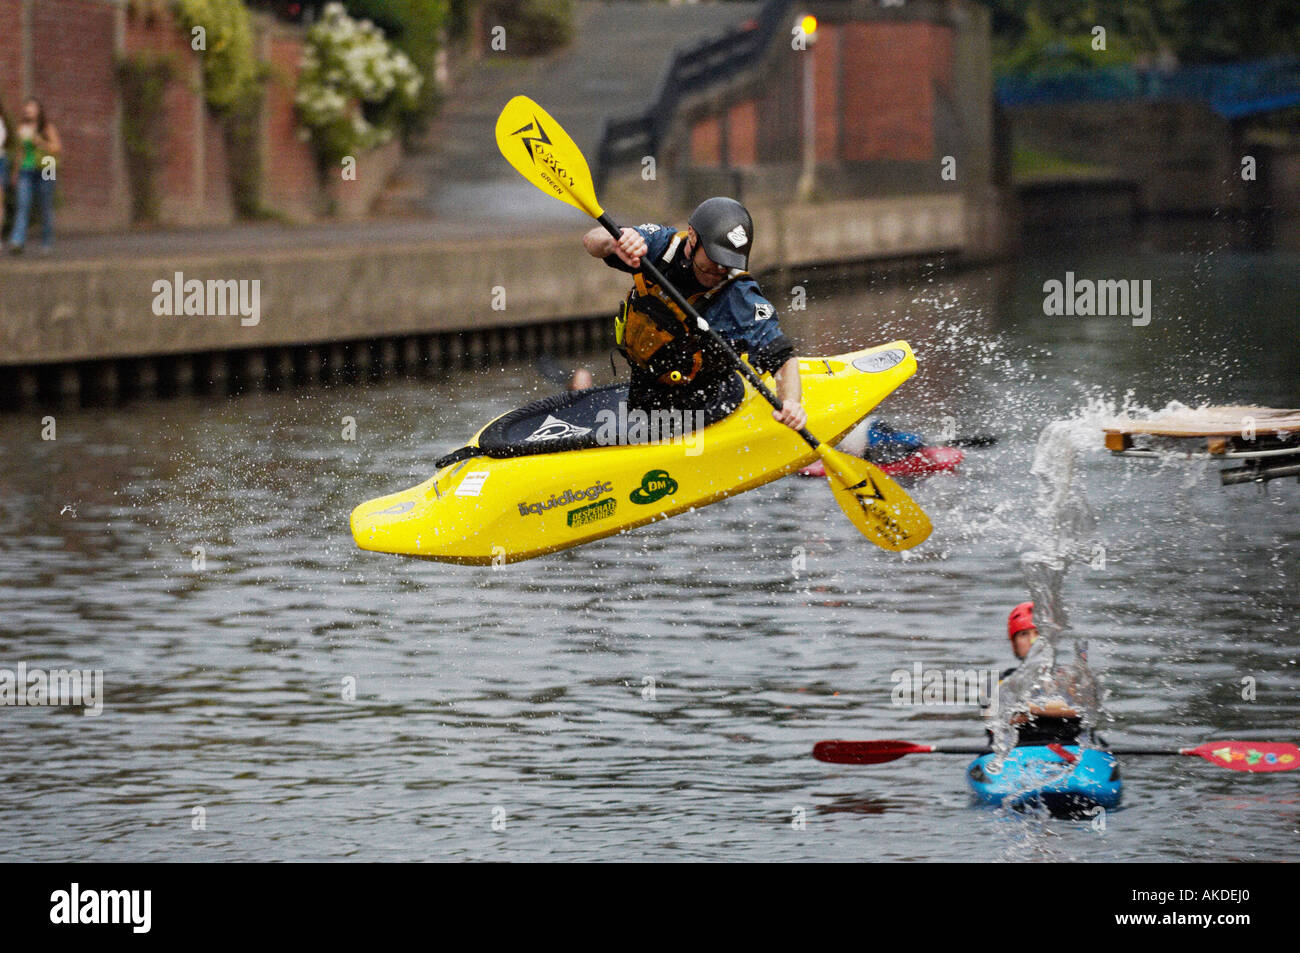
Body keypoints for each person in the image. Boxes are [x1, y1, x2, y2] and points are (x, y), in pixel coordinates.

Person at [582, 197, 805, 430]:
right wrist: (615, 242)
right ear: (692, 236)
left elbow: (783, 359)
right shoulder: (659, 246)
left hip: (708, 405)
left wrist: (791, 402)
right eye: (715, 258)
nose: (721, 269)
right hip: (645, 391)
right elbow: (591, 242)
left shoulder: (739, 297)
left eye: (728, 262)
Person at [9, 97, 61, 255]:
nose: (28, 110)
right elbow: (20, 151)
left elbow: (56, 148)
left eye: (31, 107)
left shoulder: (47, 127)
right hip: (27, 168)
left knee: (45, 206)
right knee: (23, 205)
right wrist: (15, 172)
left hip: (47, 166)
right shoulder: (22, 129)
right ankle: (17, 241)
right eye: (26, 107)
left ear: (38, 110)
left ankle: (47, 242)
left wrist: (39, 141)